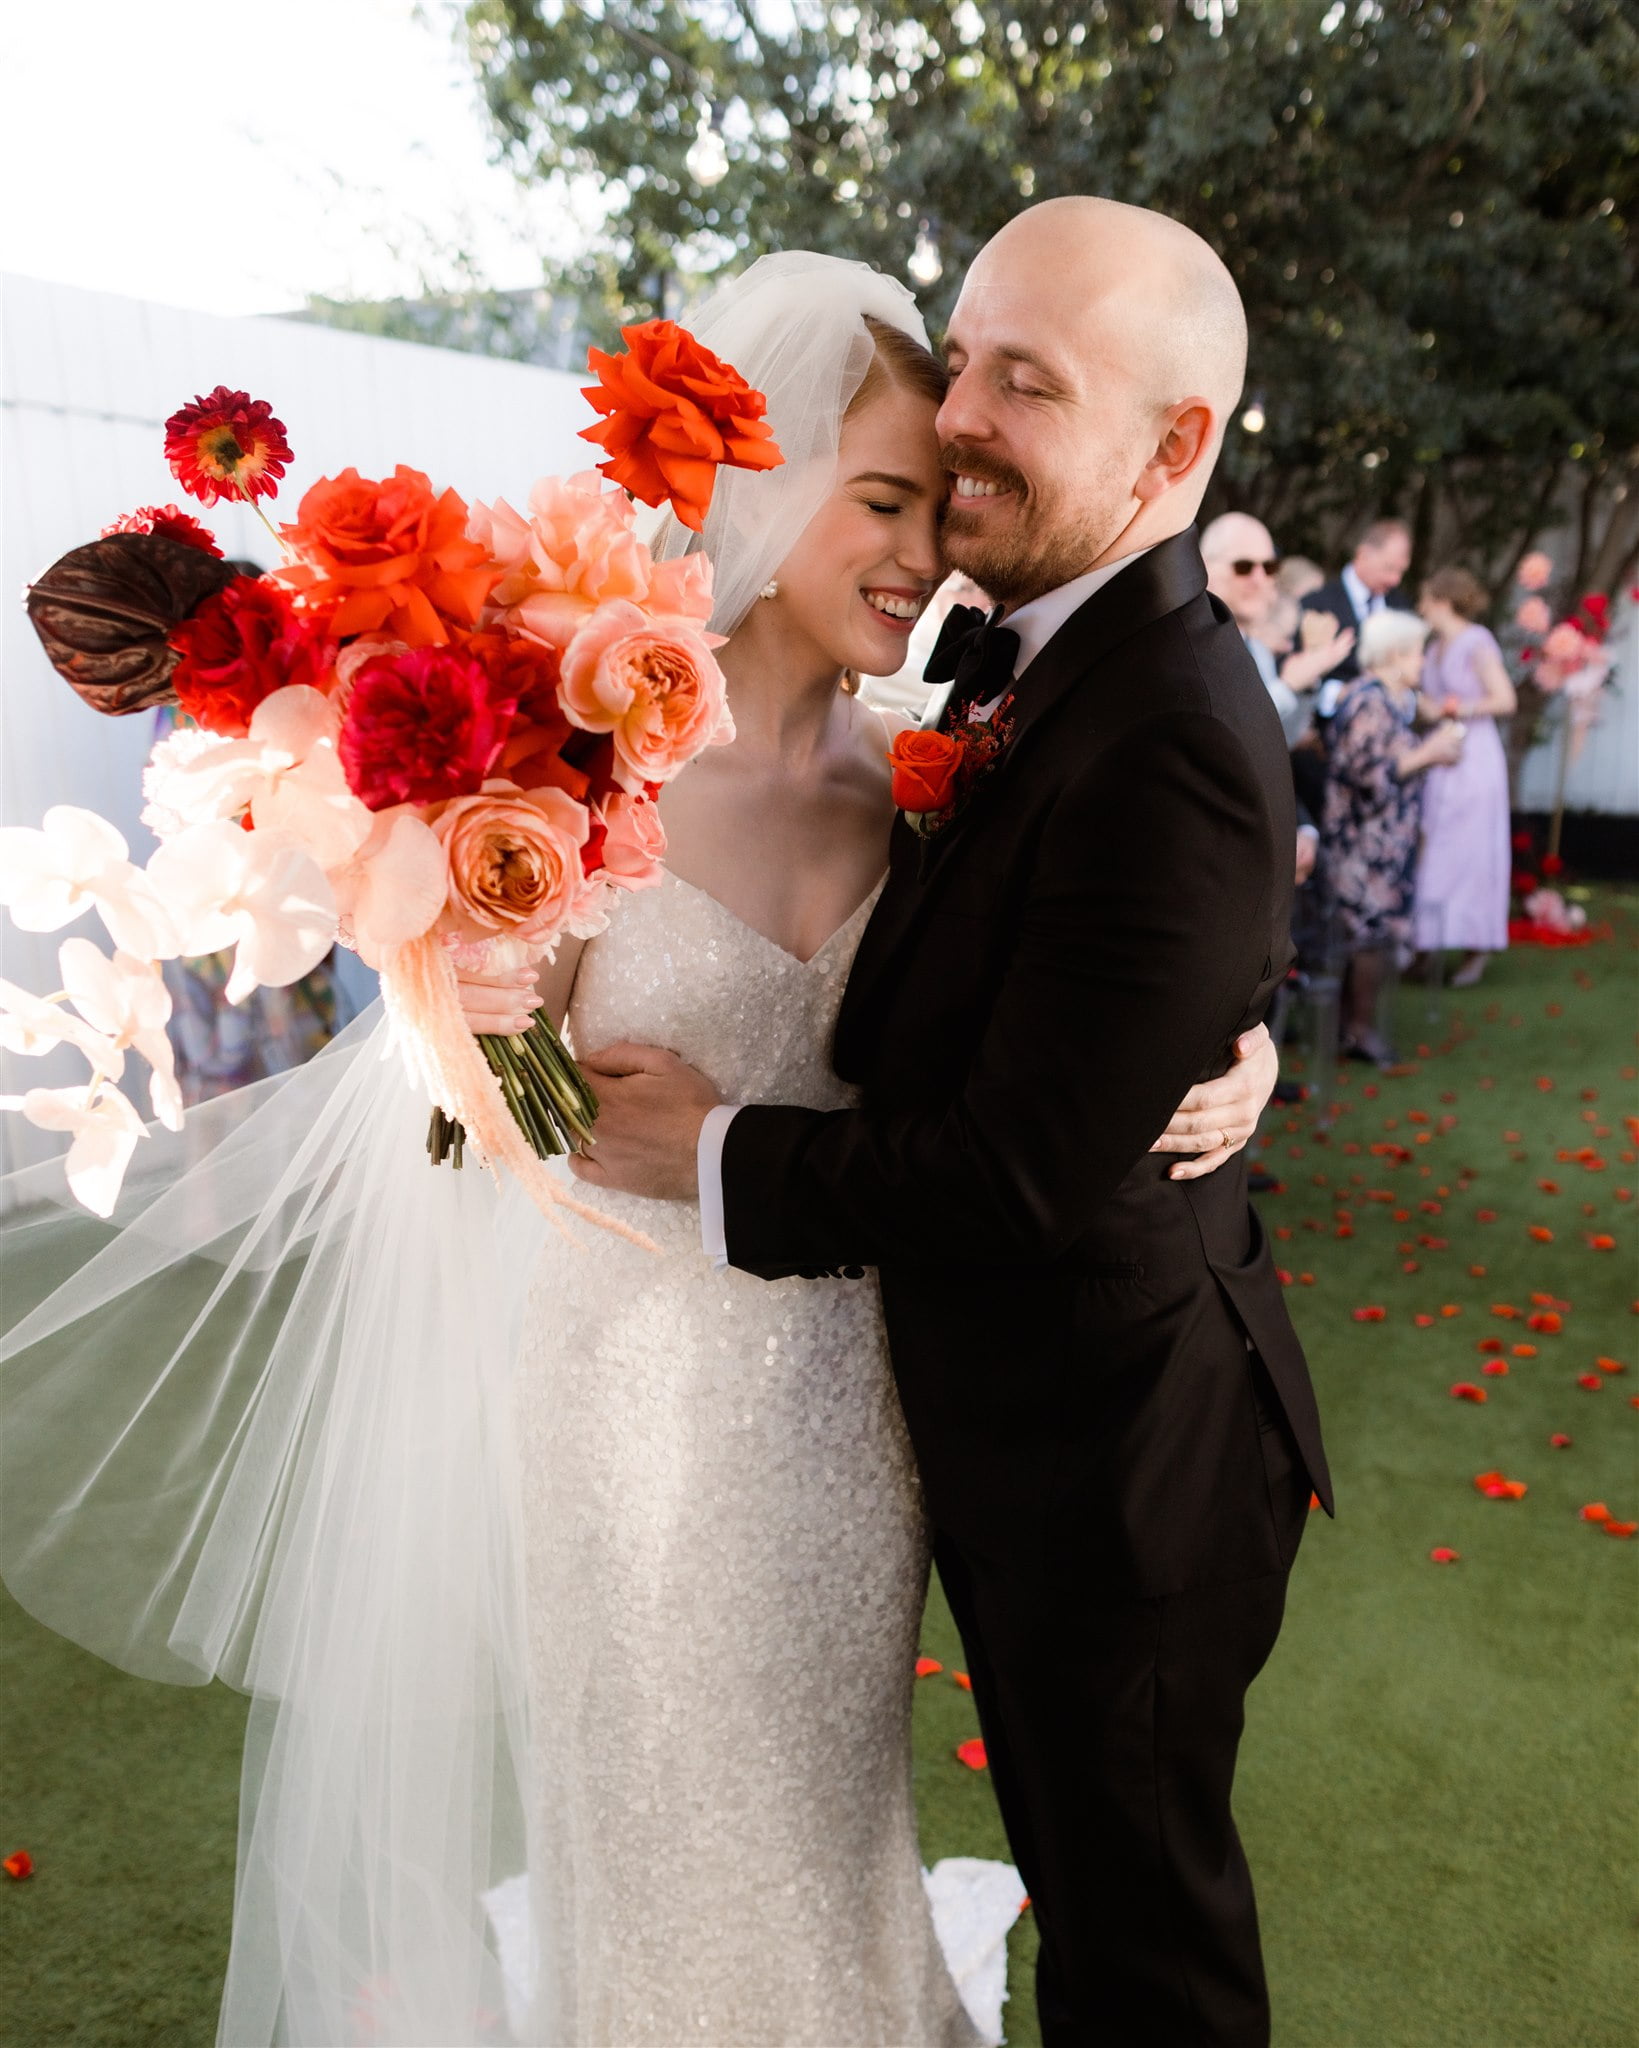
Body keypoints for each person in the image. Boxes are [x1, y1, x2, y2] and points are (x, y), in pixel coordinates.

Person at [0, 252, 1278, 2048]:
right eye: (887, 500)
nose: (922, 552)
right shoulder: (557, 783)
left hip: (859, 1396)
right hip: (625, 1404)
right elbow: (483, 1113)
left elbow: (1119, 945)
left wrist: (1245, 1041)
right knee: (666, 1838)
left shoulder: (934, 763)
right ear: (760, 490)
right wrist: (481, 995)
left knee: (828, 1820)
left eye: (940, 501)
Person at [574, 198, 1332, 2048]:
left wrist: (711, 1149)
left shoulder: (1156, 710)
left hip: (1119, 1448)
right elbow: (1053, 981)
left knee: (1139, 1941)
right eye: (964, 365)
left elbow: (1012, 1164)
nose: (972, 419)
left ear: (1172, 447)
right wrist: (1236, 1033)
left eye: (1025, 381)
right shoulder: (1011, 660)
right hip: (833, 1400)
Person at [1322, 608, 1466, 1064]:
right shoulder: (1368, 700)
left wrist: (1431, 754)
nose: (1423, 662)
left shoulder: (1387, 700)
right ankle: (1357, 1033)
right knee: (1370, 937)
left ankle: (1352, 1030)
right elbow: (1367, 775)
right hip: (1363, 849)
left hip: (1382, 846)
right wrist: (1429, 752)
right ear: (1396, 654)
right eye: (1419, 653)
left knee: (1374, 938)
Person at [1412, 566, 1515, 987]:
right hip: (1441, 754)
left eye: (1424, 599)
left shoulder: (1476, 642)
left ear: (1441, 600)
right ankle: (1427, 943)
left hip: (1475, 757)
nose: (1420, 607)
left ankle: (1477, 947)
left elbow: (1504, 699)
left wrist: (1456, 709)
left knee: (1473, 852)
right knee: (1435, 846)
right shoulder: (1434, 647)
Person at [1201, 510, 1353, 748]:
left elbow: (1280, 743)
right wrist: (1288, 685)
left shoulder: (1257, 650)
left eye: (1269, 567)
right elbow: (1224, 737)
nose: (1260, 579)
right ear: (1206, 567)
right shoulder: (1191, 642)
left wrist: (1306, 679)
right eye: (1244, 567)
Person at [1300, 516, 1415, 705]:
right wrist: (1341, 694)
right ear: (1363, 555)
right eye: (1389, 568)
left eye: (1401, 572)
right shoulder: (1317, 603)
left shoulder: (1401, 606)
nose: (1395, 580)